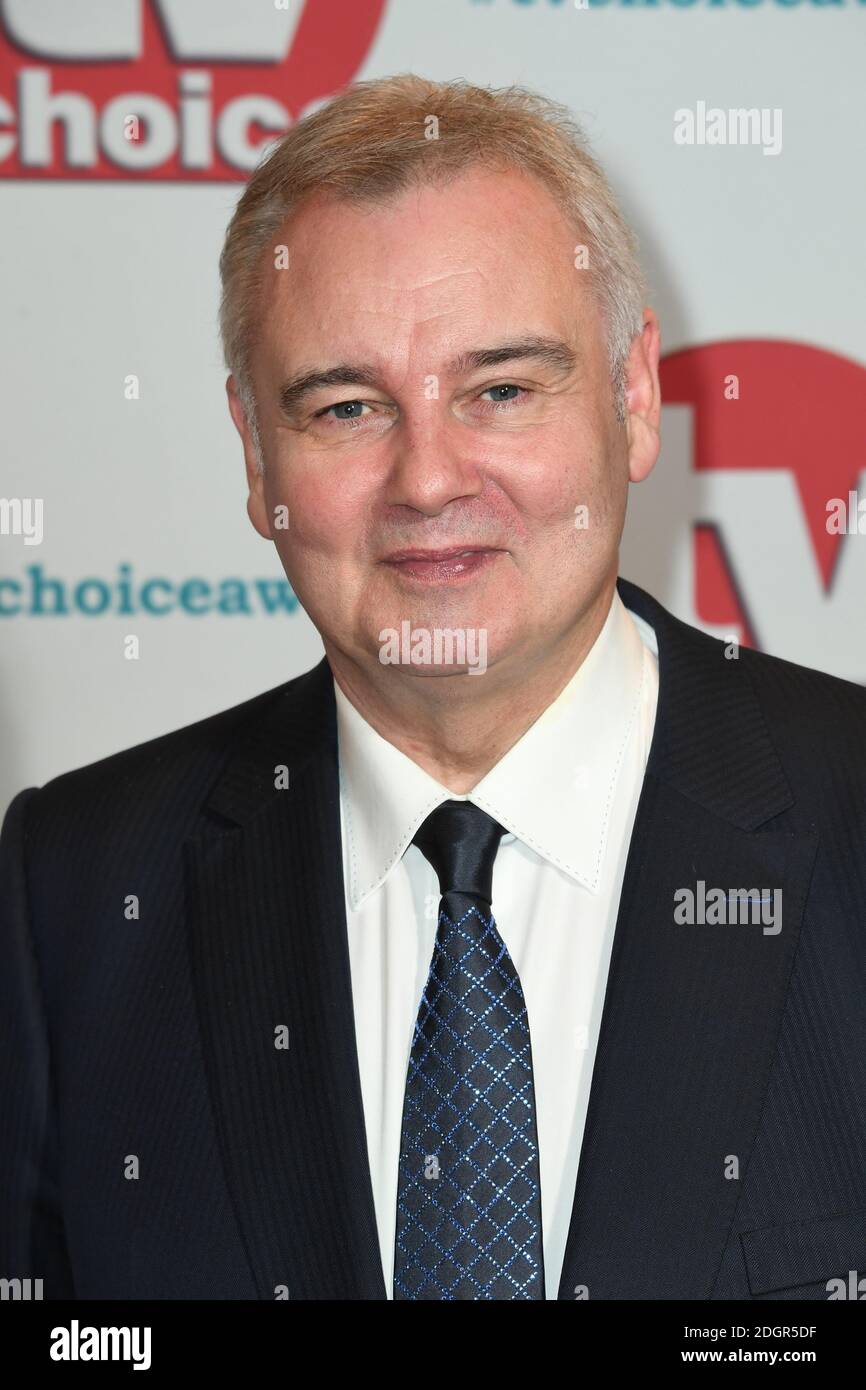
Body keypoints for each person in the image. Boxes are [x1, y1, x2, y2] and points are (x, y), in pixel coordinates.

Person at [2, 75, 865, 1302]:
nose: (425, 478)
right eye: (346, 407)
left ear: (633, 399)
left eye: (500, 390)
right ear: (257, 457)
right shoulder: (73, 893)